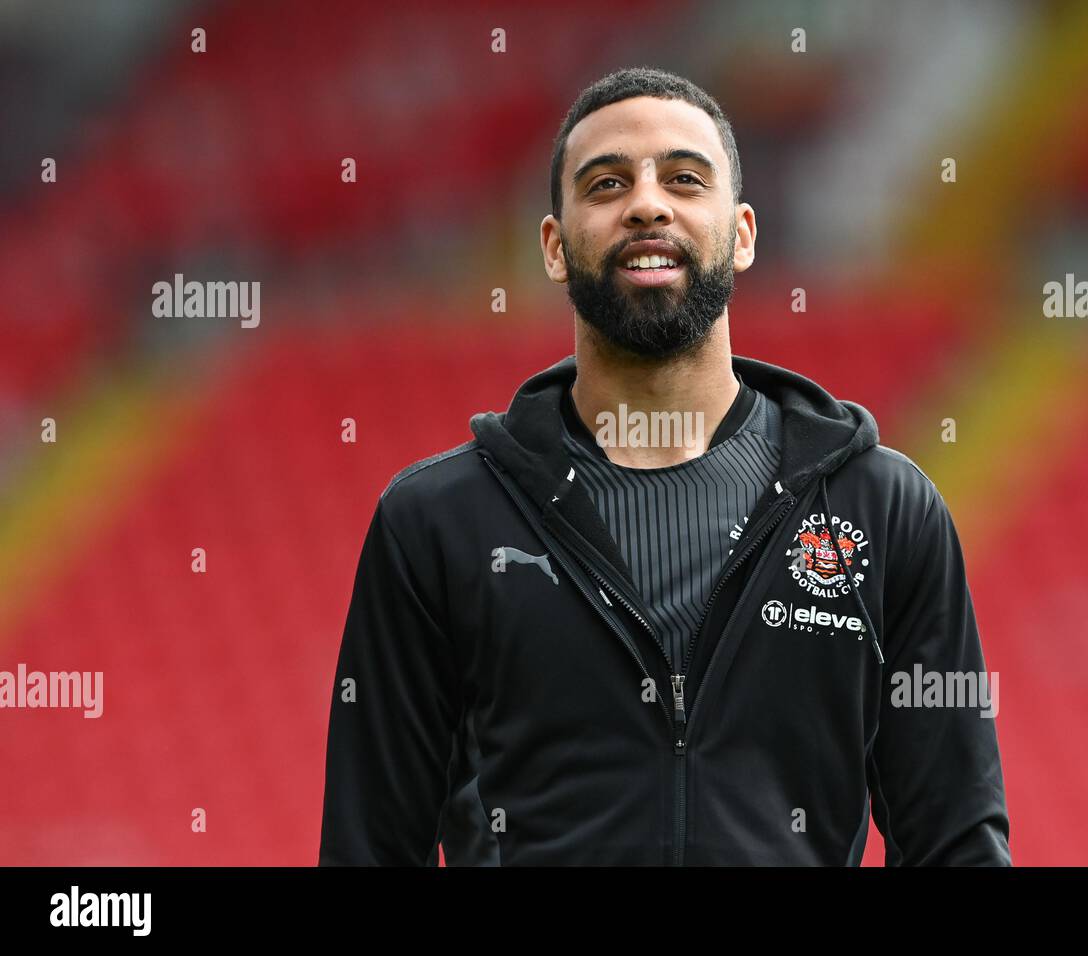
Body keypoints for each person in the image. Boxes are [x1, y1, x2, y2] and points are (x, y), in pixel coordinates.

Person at [318, 66, 1011, 866]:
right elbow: (369, 849)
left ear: (743, 232)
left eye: (683, 178)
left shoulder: (884, 509)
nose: (647, 203)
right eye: (607, 183)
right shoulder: (436, 523)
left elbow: (956, 843)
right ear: (553, 245)